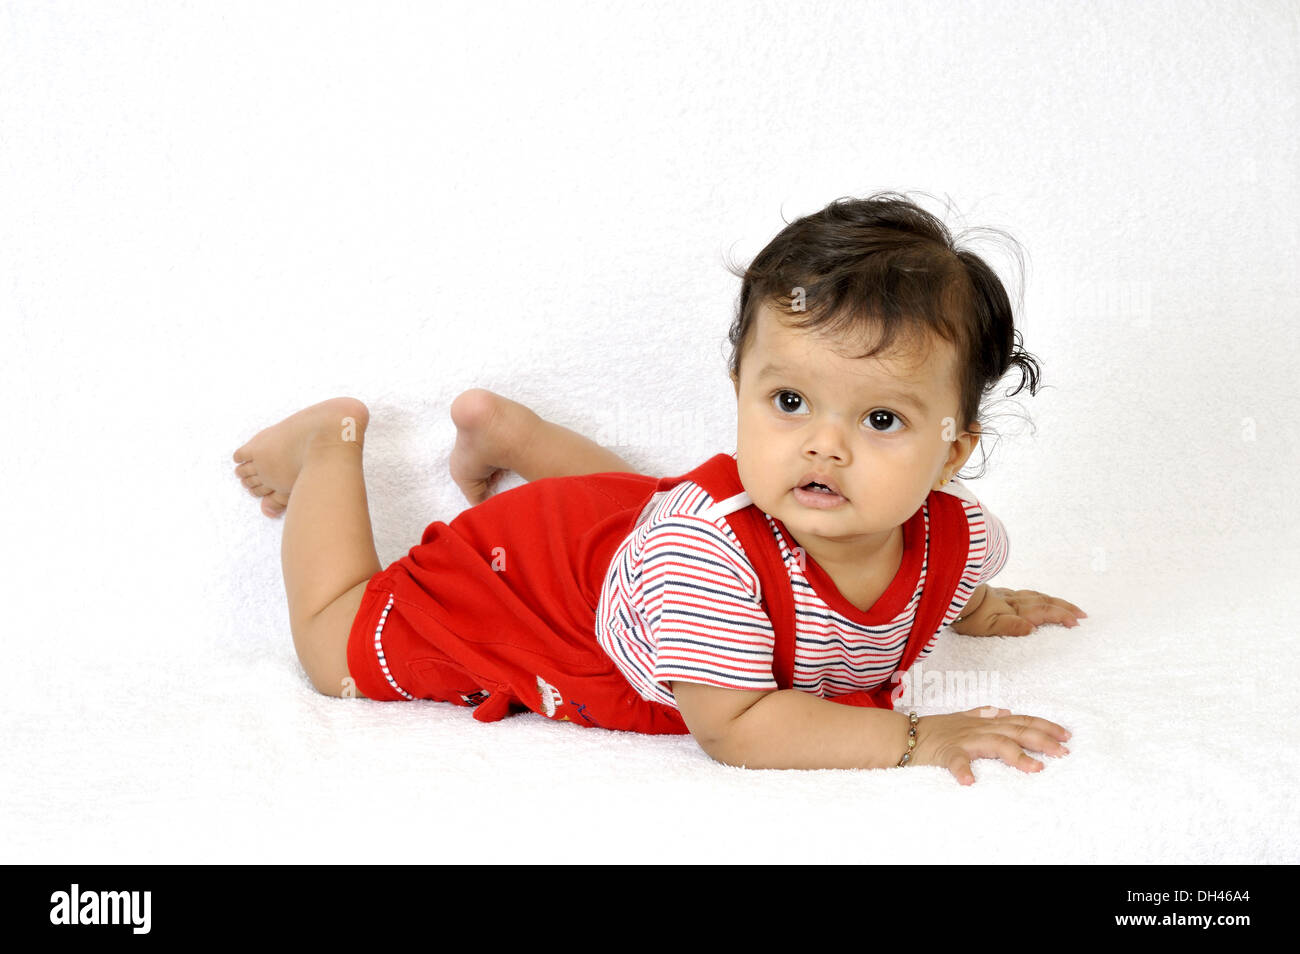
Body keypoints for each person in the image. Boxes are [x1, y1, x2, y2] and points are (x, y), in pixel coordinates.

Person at [232, 192, 1084, 784]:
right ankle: (326, 447)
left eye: (882, 422)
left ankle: (511, 434)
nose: (824, 445)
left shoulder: (961, 539)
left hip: (631, 533)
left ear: (951, 453)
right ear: (740, 387)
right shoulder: (704, 558)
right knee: (333, 642)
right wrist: (917, 737)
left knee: (646, 506)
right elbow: (737, 726)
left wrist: (972, 606)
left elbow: (942, 580)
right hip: (522, 583)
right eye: (789, 402)